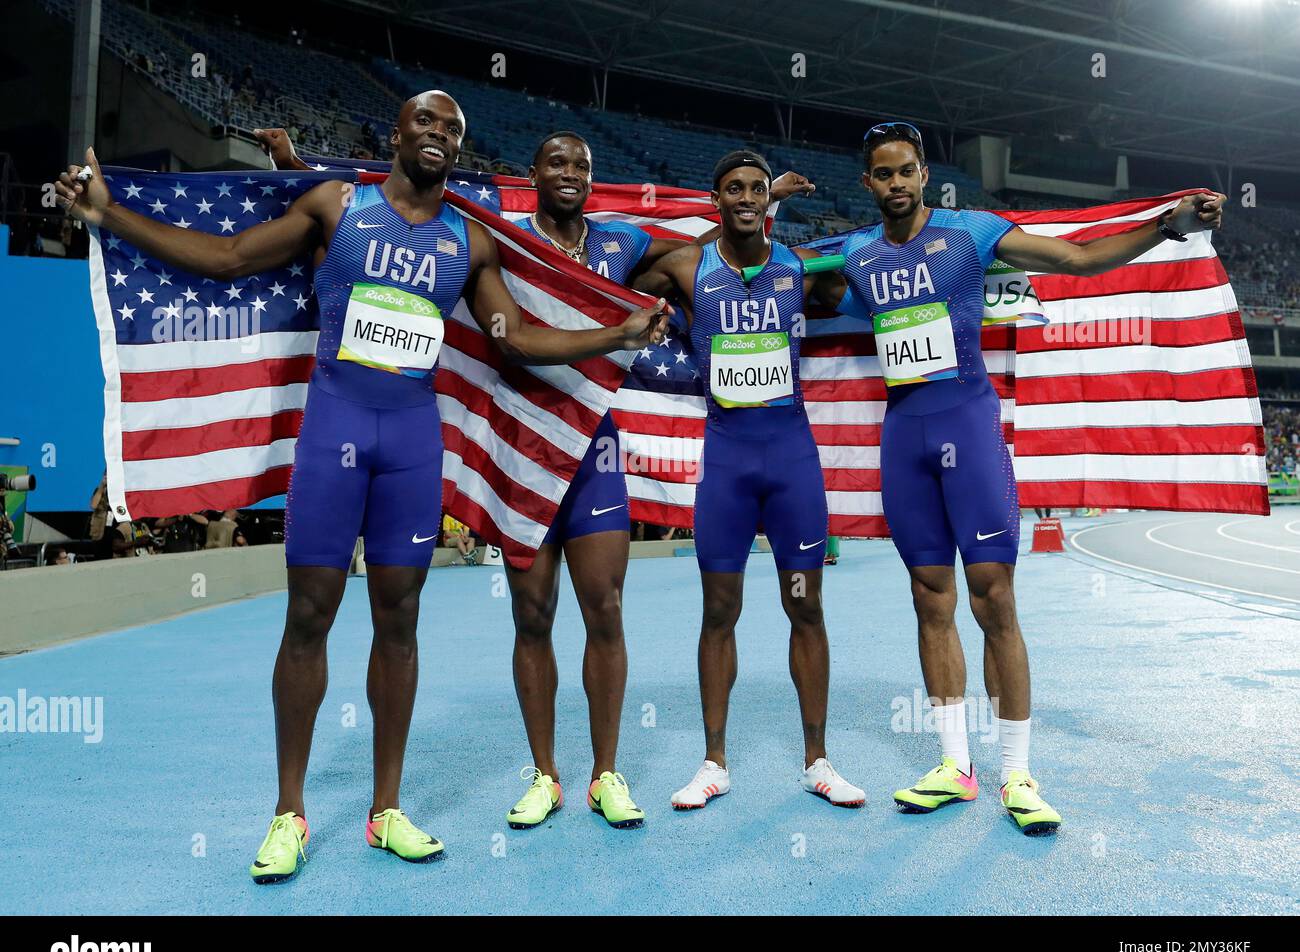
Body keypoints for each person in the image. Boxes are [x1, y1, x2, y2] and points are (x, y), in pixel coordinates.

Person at [56, 89, 669, 884]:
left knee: (400, 620)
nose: (440, 134)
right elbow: (229, 255)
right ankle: (289, 811)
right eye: (427, 122)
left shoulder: (469, 240)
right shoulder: (335, 205)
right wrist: (108, 212)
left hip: (412, 444)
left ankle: (386, 810)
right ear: (396, 134)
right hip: (336, 433)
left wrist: (616, 333)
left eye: (453, 127)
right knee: (308, 614)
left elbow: (514, 340)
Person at [260, 125, 814, 830]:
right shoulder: (502, 235)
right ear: (534, 171)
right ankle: (545, 774)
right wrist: (297, 166)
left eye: (582, 163)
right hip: (521, 444)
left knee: (606, 607)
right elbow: (407, 185)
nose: (570, 172)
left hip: (596, 449)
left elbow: (703, 246)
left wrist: (766, 211)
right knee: (532, 612)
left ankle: (605, 773)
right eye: (556, 160)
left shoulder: (619, 243)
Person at [824, 121, 1224, 834]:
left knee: (995, 596)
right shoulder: (853, 251)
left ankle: (1017, 773)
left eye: (906, 171)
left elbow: (1078, 258)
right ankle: (955, 766)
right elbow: (767, 270)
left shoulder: (971, 232)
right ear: (867, 183)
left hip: (967, 427)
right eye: (882, 174)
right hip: (903, 435)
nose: (895, 184)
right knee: (929, 595)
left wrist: (1170, 226)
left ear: (923, 174)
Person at [635, 150, 866, 812]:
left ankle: (818, 760)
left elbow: (860, 295)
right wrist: (757, 211)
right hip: (728, 465)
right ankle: (713, 762)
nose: (745, 197)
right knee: (719, 609)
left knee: (807, 606)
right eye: (733, 188)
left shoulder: (804, 268)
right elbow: (620, 274)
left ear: (769, 199)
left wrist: (769, 212)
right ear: (717, 198)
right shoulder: (688, 265)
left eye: (756, 189)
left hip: (792, 462)